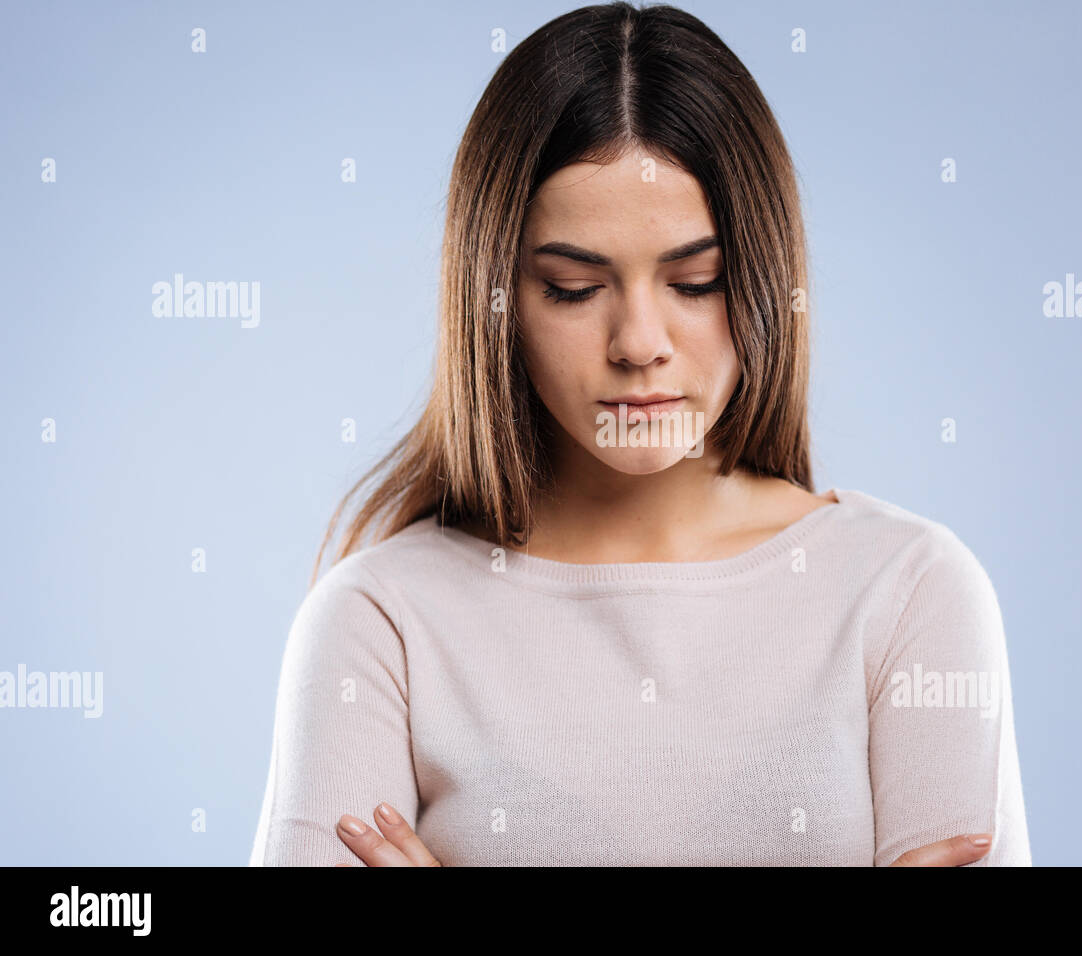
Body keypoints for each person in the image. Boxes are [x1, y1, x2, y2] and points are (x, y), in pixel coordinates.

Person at [249, 1, 1031, 867]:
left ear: (765, 278)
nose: (639, 344)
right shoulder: (379, 623)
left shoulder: (909, 591)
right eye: (573, 289)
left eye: (696, 282)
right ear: (496, 300)